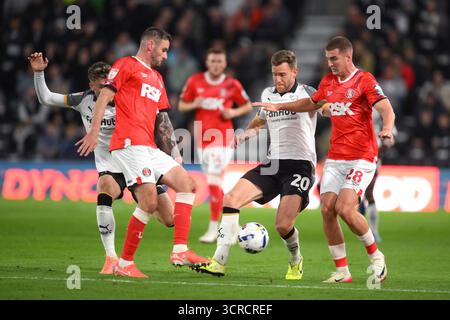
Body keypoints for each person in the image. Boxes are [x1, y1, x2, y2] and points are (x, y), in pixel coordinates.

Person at [253, 36, 395, 284]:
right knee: (328, 209)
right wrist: (280, 108)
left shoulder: (365, 80)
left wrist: (387, 128)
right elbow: (310, 102)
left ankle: (377, 259)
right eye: (327, 58)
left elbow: (385, 107)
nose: (329, 63)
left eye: (334, 58)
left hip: (361, 157)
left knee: (345, 208)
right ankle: (342, 270)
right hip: (336, 157)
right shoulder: (328, 82)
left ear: (347, 57)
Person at [76, 27, 208, 278]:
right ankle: (125, 263)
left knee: (188, 184)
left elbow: (162, 119)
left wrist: (175, 154)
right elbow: (105, 94)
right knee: (148, 201)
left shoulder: (157, 78)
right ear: (150, 45)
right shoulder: (125, 65)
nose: (166, 56)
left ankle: (180, 249)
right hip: (128, 143)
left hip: (148, 146)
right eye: (164, 50)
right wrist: (94, 131)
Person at [28, 52, 174, 275]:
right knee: (104, 188)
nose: (105, 90)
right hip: (111, 165)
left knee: (169, 219)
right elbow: (47, 98)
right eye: (99, 86)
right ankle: (111, 258)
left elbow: (159, 118)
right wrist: (39, 73)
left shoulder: (131, 97)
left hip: (137, 159)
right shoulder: (83, 99)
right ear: (91, 86)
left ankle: (167, 239)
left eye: (108, 84)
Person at [195, 50, 317, 279]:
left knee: (282, 225)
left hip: (300, 166)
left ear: (295, 72)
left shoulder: (307, 92)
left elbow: (320, 106)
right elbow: (259, 122)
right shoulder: (268, 94)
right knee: (230, 199)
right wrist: (244, 135)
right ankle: (218, 262)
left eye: (282, 74)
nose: (278, 80)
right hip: (272, 164)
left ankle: (295, 259)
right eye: (274, 75)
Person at [179, 48, 252, 243]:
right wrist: (196, 103)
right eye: (213, 61)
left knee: (213, 182)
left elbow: (247, 105)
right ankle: (233, 223)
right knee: (215, 184)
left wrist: (233, 113)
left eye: (220, 61)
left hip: (223, 139)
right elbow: (182, 105)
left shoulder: (231, 84)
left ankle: (215, 229)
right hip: (202, 139)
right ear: (207, 61)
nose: (216, 64)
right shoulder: (195, 81)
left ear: (225, 63)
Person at [359, 109, 397, 243]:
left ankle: (373, 231)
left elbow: (391, 138)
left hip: (373, 159)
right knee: (359, 194)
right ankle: (364, 227)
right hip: (355, 156)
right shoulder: (358, 106)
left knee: (369, 192)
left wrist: (377, 151)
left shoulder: (382, 110)